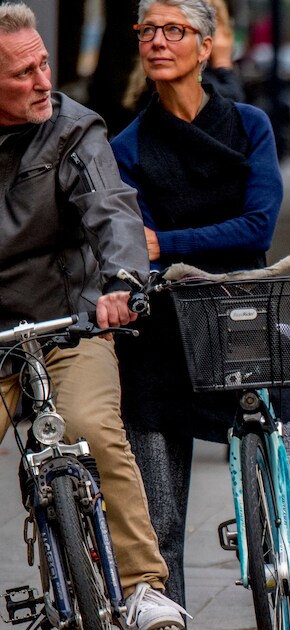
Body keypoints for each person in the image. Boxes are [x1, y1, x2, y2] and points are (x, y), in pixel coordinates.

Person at [108, 1, 290, 626]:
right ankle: (168, 616)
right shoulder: (126, 145)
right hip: (162, 328)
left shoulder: (249, 125)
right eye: (148, 31)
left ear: (206, 45)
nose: (159, 42)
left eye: (175, 31)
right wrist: (164, 251)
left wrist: (167, 243)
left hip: (247, 313)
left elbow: (257, 226)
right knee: (156, 512)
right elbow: (128, 244)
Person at [0, 4, 187, 628]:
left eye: (44, 63)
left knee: (91, 424)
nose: (43, 81)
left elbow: (111, 207)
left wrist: (123, 282)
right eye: (23, 73)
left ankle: (140, 588)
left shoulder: (72, 129)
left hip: (70, 321)